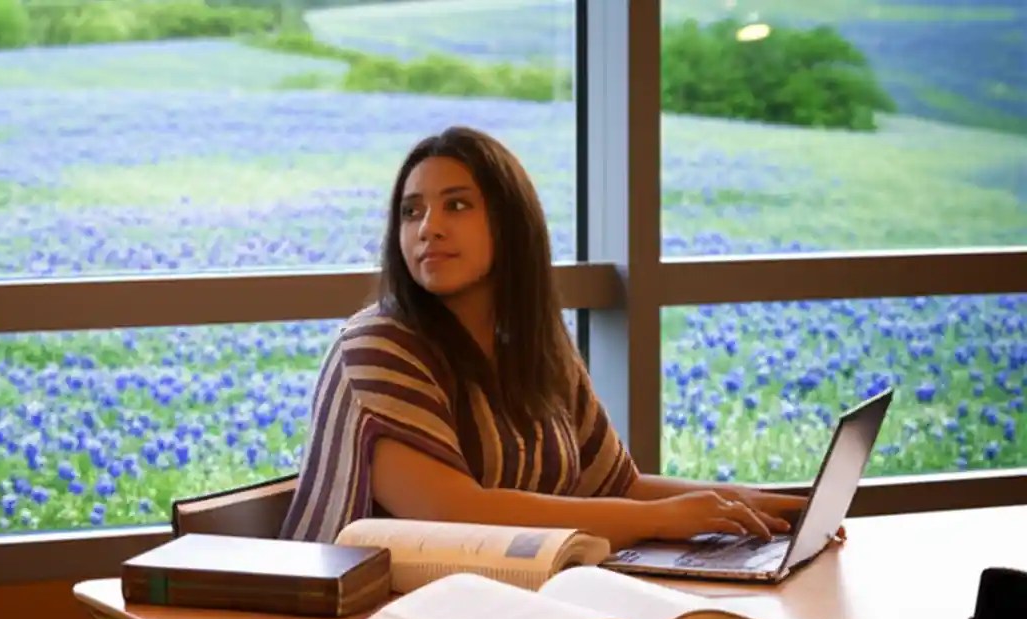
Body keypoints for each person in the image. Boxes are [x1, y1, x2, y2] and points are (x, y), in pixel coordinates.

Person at [278, 125, 813, 550]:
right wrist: (656, 521)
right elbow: (451, 513)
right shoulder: (376, 344)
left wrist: (751, 504)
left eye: (457, 205)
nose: (428, 227)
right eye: (412, 210)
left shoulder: (533, 348)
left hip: (507, 601)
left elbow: (618, 486)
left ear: (511, 225)